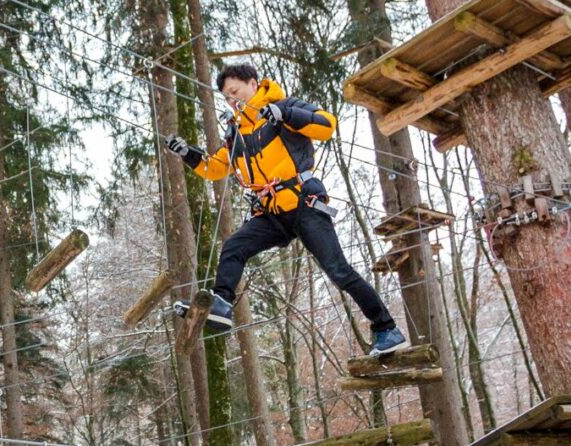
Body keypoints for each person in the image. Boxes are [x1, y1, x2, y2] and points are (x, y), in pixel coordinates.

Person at [164, 62, 409, 358]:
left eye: (235, 92)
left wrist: (286, 114)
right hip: (271, 213)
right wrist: (188, 154)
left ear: (253, 84)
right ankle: (221, 304)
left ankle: (387, 329)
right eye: (227, 98)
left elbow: (326, 125)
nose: (232, 101)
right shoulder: (236, 133)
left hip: (303, 203)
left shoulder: (283, 107)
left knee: (338, 271)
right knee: (234, 247)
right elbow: (214, 167)